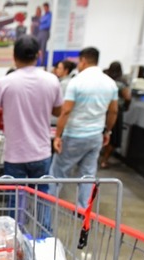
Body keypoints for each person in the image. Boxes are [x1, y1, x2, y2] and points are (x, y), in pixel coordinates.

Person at [0, 35, 62, 191]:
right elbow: (58, 111)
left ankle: (14, 217)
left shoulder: (5, 82)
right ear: (39, 55)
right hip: (41, 152)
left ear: (14, 57)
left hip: (15, 154)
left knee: (14, 200)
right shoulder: (52, 80)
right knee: (41, 200)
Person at [50, 47, 118, 208]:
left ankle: (47, 204)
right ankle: (83, 209)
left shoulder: (77, 82)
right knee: (88, 174)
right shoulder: (110, 83)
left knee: (58, 173)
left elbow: (66, 111)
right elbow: (113, 111)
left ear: (83, 61)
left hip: (74, 134)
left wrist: (58, 136)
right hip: (95, 136)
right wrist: (107, 131)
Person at [101, 61, 130, 168]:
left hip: (103, 110)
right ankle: (105, 160)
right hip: (115, 111)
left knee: (102, 134)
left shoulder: (105, 81)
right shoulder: (121, 84)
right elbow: (127, 97)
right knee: (112, 136)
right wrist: (127, 107)